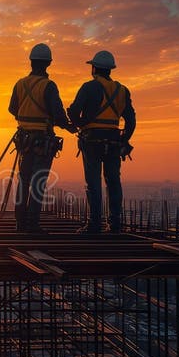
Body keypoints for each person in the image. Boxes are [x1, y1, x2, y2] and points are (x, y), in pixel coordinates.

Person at [8, 43, 75, 234]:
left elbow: (12, 108)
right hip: (42, 142)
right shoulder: (48, 86)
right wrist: (70, 127)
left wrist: (25, 119)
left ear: (31, 62)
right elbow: (58, 114)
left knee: (24, 180)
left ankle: (20, 223)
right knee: (37, 182)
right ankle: (32, 224)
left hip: (24, 141)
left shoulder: (20, 84)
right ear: (49, 63)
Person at [68, 50, 136, 234]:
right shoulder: (122, 90)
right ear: (110, 70)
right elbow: (131, 121)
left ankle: (94, 224)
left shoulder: (89, 87)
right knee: (113, 181)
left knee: (93, 183)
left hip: (92, 141)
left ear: (94, 68)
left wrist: (78, 125)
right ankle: (114, 225)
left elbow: (74, 111)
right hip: (113, 142)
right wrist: (124, 140)